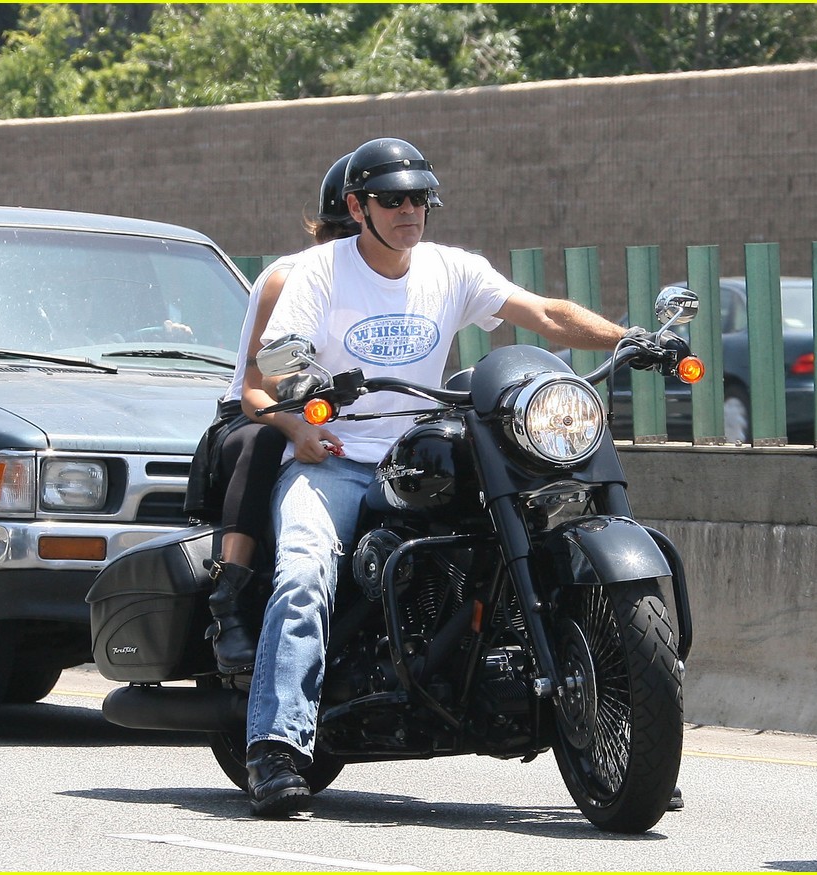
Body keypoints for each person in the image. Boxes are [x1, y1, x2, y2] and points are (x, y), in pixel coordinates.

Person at [242, 136, 638, 818]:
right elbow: (274, 365)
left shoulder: (450, 270)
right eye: (392, 199)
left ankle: (634, 742)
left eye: (418, 198)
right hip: (335, 454)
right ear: (357, 206)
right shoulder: (317, 274)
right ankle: (275, 747)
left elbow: (542, 314)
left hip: (417, 455)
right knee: (305, 569)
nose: (409, 211)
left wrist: (627, 337)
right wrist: (298, 422)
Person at [183, 152, 359, 674]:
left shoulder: (393, 283)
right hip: (253, 419)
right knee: (267, 442)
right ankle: (229, 600)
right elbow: (254, 391)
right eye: (351, 232)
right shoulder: (290, 278)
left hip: (334, 421)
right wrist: (295, 425)